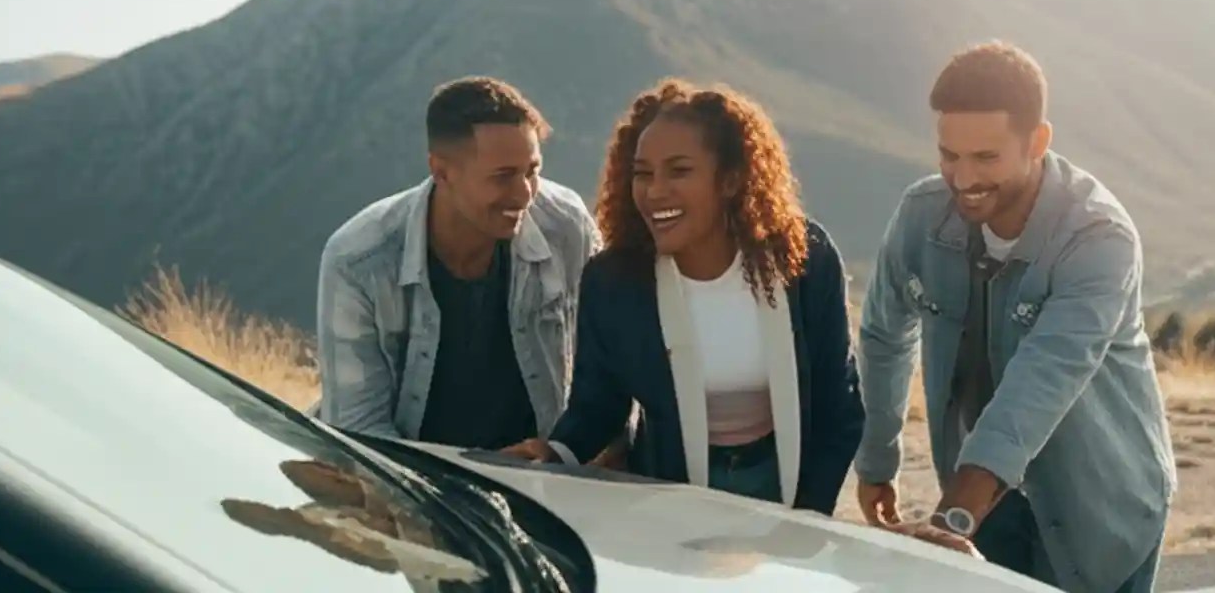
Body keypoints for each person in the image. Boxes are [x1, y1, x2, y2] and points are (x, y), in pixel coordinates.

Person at [853, 41, 1175, 592]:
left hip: (1101, 505)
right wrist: (878, 460)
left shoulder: (1098, 238)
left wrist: (952, 515)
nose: (962, 178)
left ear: (1038, 142)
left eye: (986, 158)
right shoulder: (920, 216)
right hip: (984, 504)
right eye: (949, 155)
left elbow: (1044, 377)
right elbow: (884, 335)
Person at [501, 78, 866, 515]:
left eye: (679, 170)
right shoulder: (614, 282)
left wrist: (810, 515)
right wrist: (556, 453)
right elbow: (598, 406)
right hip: (668, 490)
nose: (655, 191)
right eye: (643, 173)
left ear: (730, 180)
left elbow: (838, 404)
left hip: (787, 484)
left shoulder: (804, 258)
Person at [314, 76, 600, 452]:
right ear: (441, 171)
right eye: (503, 177)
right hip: (413, 485)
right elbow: (359, 434)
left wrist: (570, 454)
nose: (524, 193)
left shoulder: (566, 226)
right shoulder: (359, 260)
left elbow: (607, 364)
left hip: (541, 477)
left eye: (532, 171)